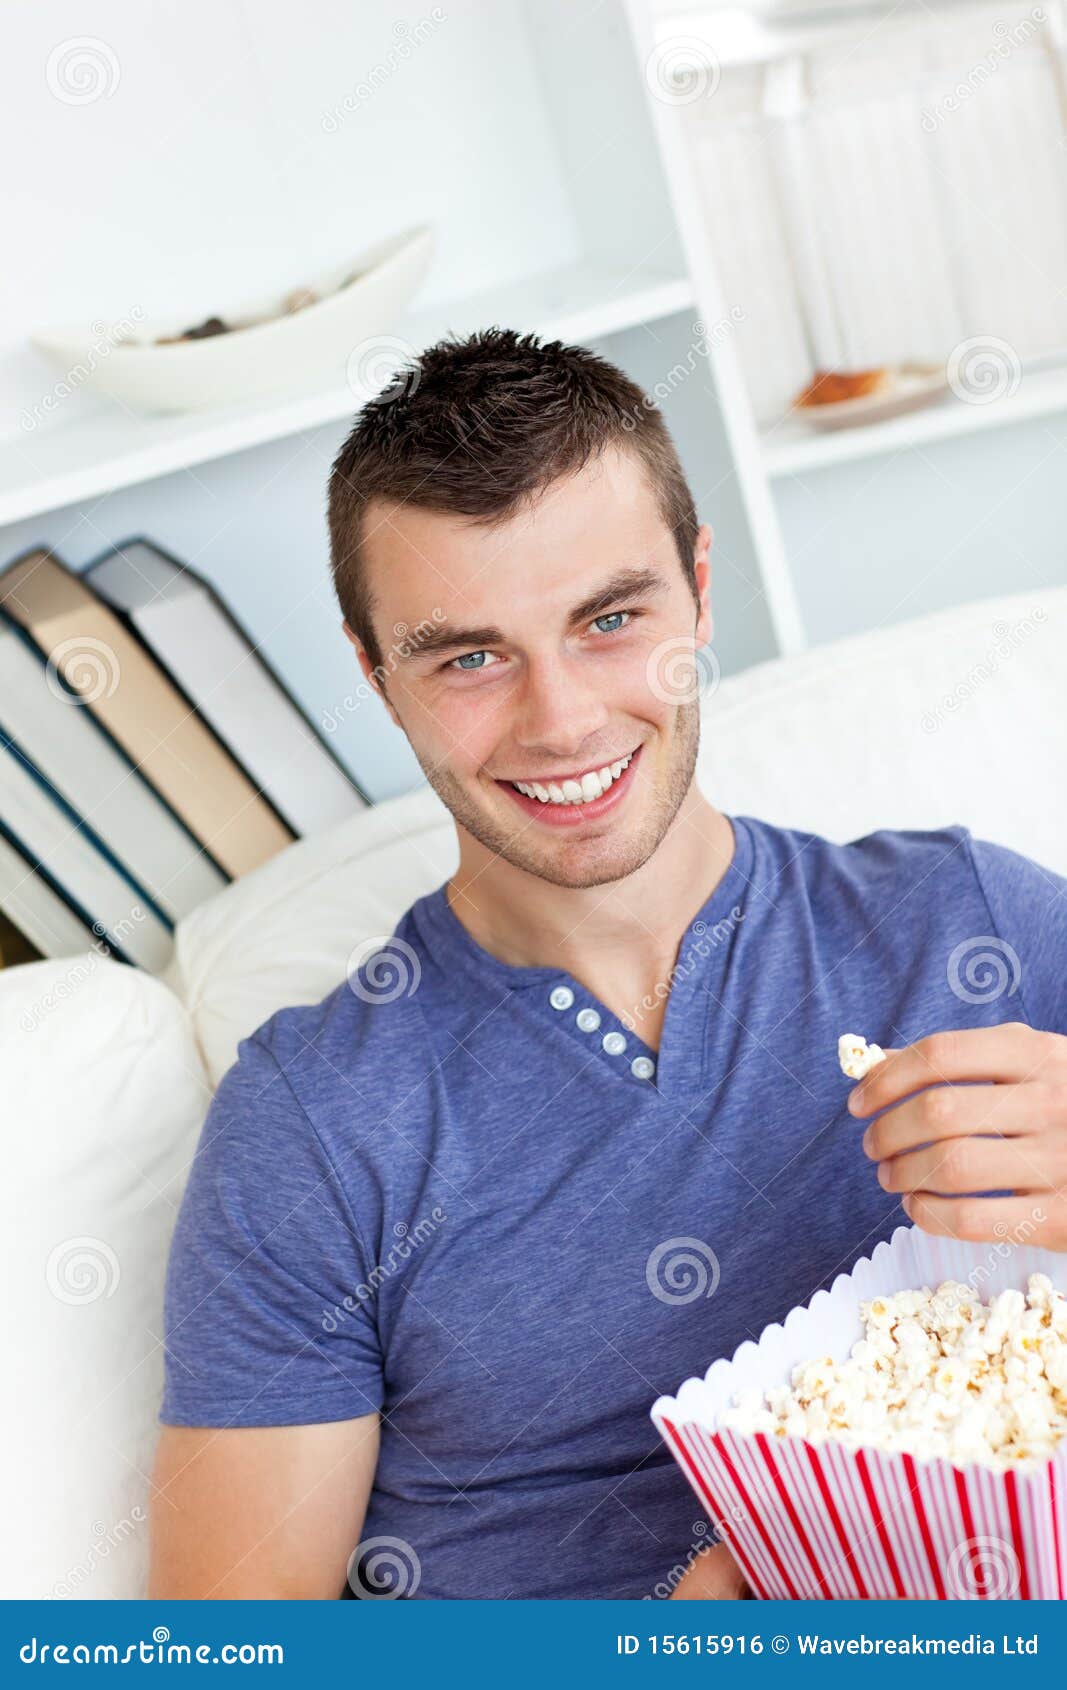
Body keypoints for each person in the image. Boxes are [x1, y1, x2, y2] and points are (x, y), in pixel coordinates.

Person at [149, 330, 1067, 1601]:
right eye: (468, 656)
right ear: (379, 678)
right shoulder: (312, 1127)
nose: (562, 719)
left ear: (696, 592)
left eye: (610, 619)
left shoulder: (966, 923)